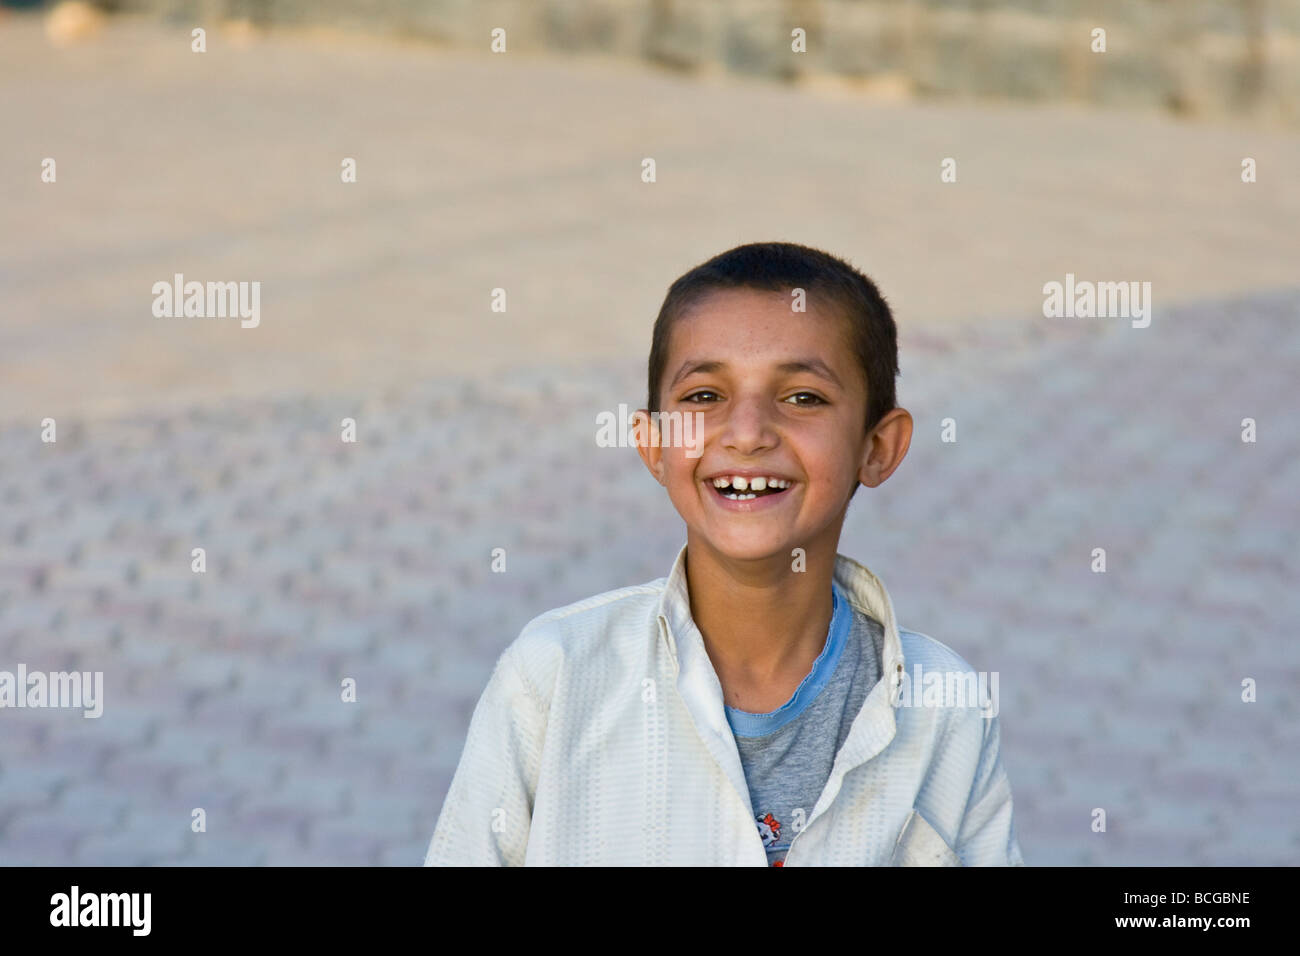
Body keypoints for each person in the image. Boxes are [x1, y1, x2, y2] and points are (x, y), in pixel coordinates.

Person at [425, 241, 1024, 866]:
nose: (747, 433)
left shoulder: (942, 705)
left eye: (803, 398)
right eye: (704, 397)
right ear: (654, 444)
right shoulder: (554, 676)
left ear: (878, 447)